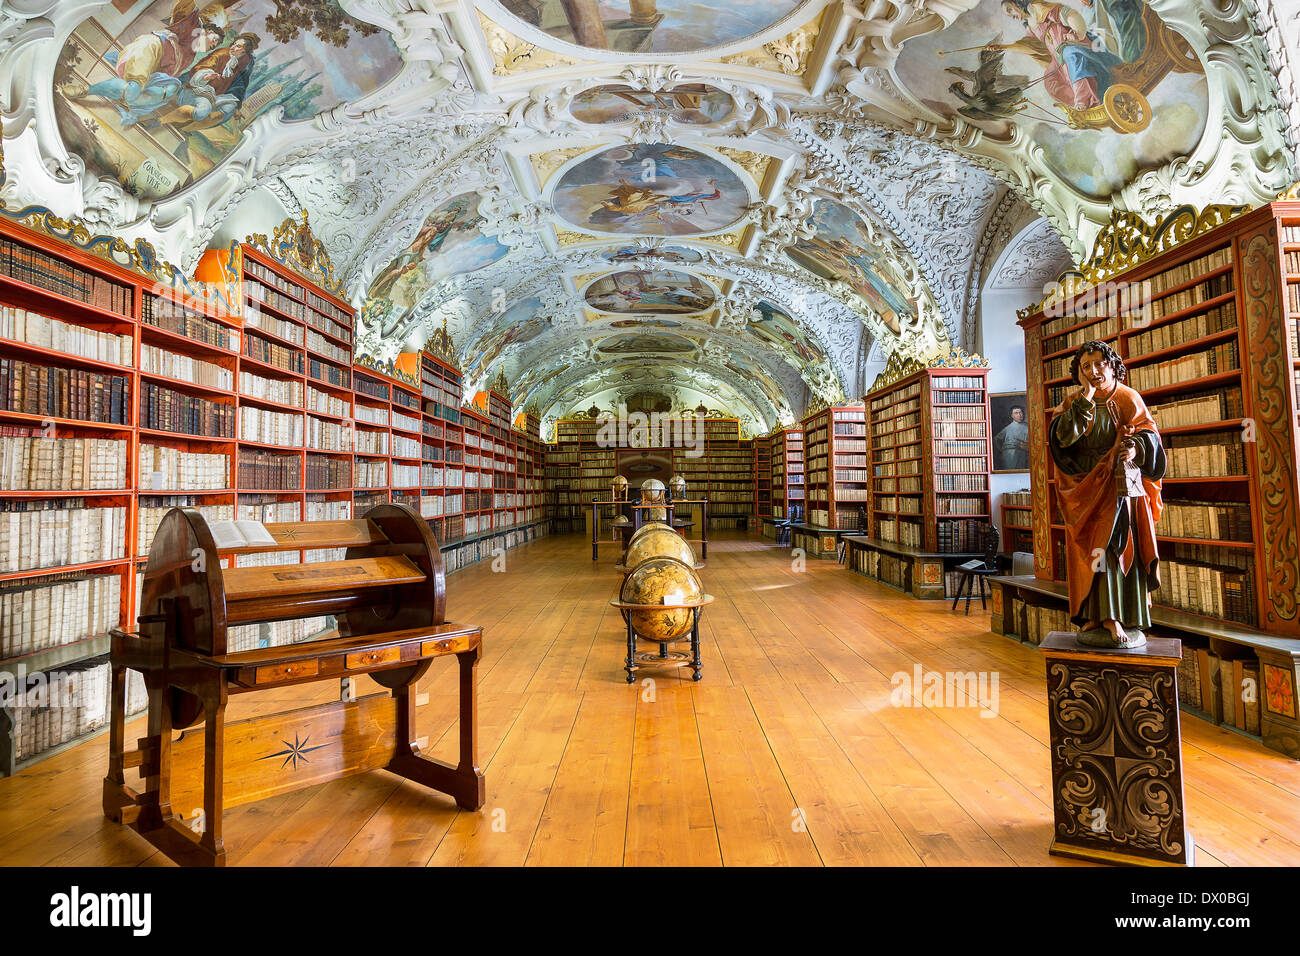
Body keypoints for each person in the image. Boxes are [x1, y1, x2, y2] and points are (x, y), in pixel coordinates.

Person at [1049, 340, 1164, 646]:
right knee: (1090, 552)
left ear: (1113, 366)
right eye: (1086, 367)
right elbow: (1062, 439)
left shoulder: (1129, 398)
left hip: (1120, 488)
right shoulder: (1074, 401)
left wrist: (1134, 448)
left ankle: (1117, 617)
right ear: (1078, 373)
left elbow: (1150, 438)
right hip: (1086, 489)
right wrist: (1085, 399)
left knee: (1116, 548)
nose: (1094, 371)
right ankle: (1094, 615)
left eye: (1100, 363)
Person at [993, 404, 1029, 470]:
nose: (1019, 415)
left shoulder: (1028, 426)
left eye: (1020, 412)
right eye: (1016, 413)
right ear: (1012, 416)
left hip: (1023, 453)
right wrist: (1001, 450)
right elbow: (996, 439)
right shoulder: (1008, 428)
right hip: (1009, 455)